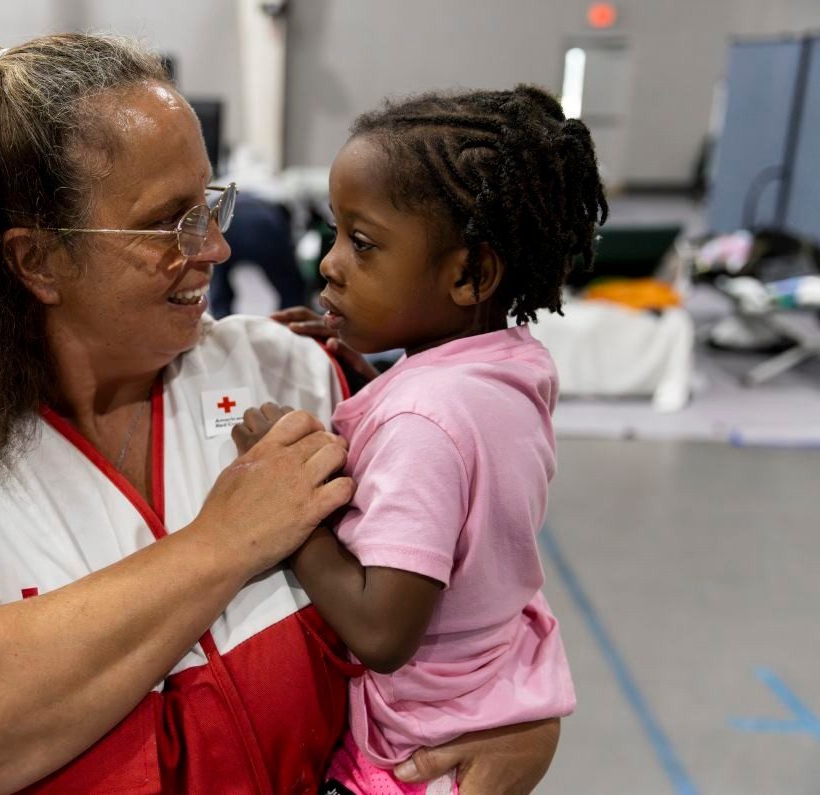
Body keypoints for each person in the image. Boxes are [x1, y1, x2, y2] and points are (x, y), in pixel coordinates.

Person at [0, 35, 563, 794]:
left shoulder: (298, 373)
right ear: (38, 259)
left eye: (209, 204)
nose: (216, 248)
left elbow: (468, 560)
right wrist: (223, 542)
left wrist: (522, 714)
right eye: (170, 221)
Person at [238, 87, 609, 794]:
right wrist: (372, 378)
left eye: (363, 244)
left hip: (407, 761)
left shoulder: (423, 421)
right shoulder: (510, 366)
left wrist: (284, 499)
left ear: (469, 274)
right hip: (488, 694)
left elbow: (381, 630)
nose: (329, 263)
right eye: (335, 232)